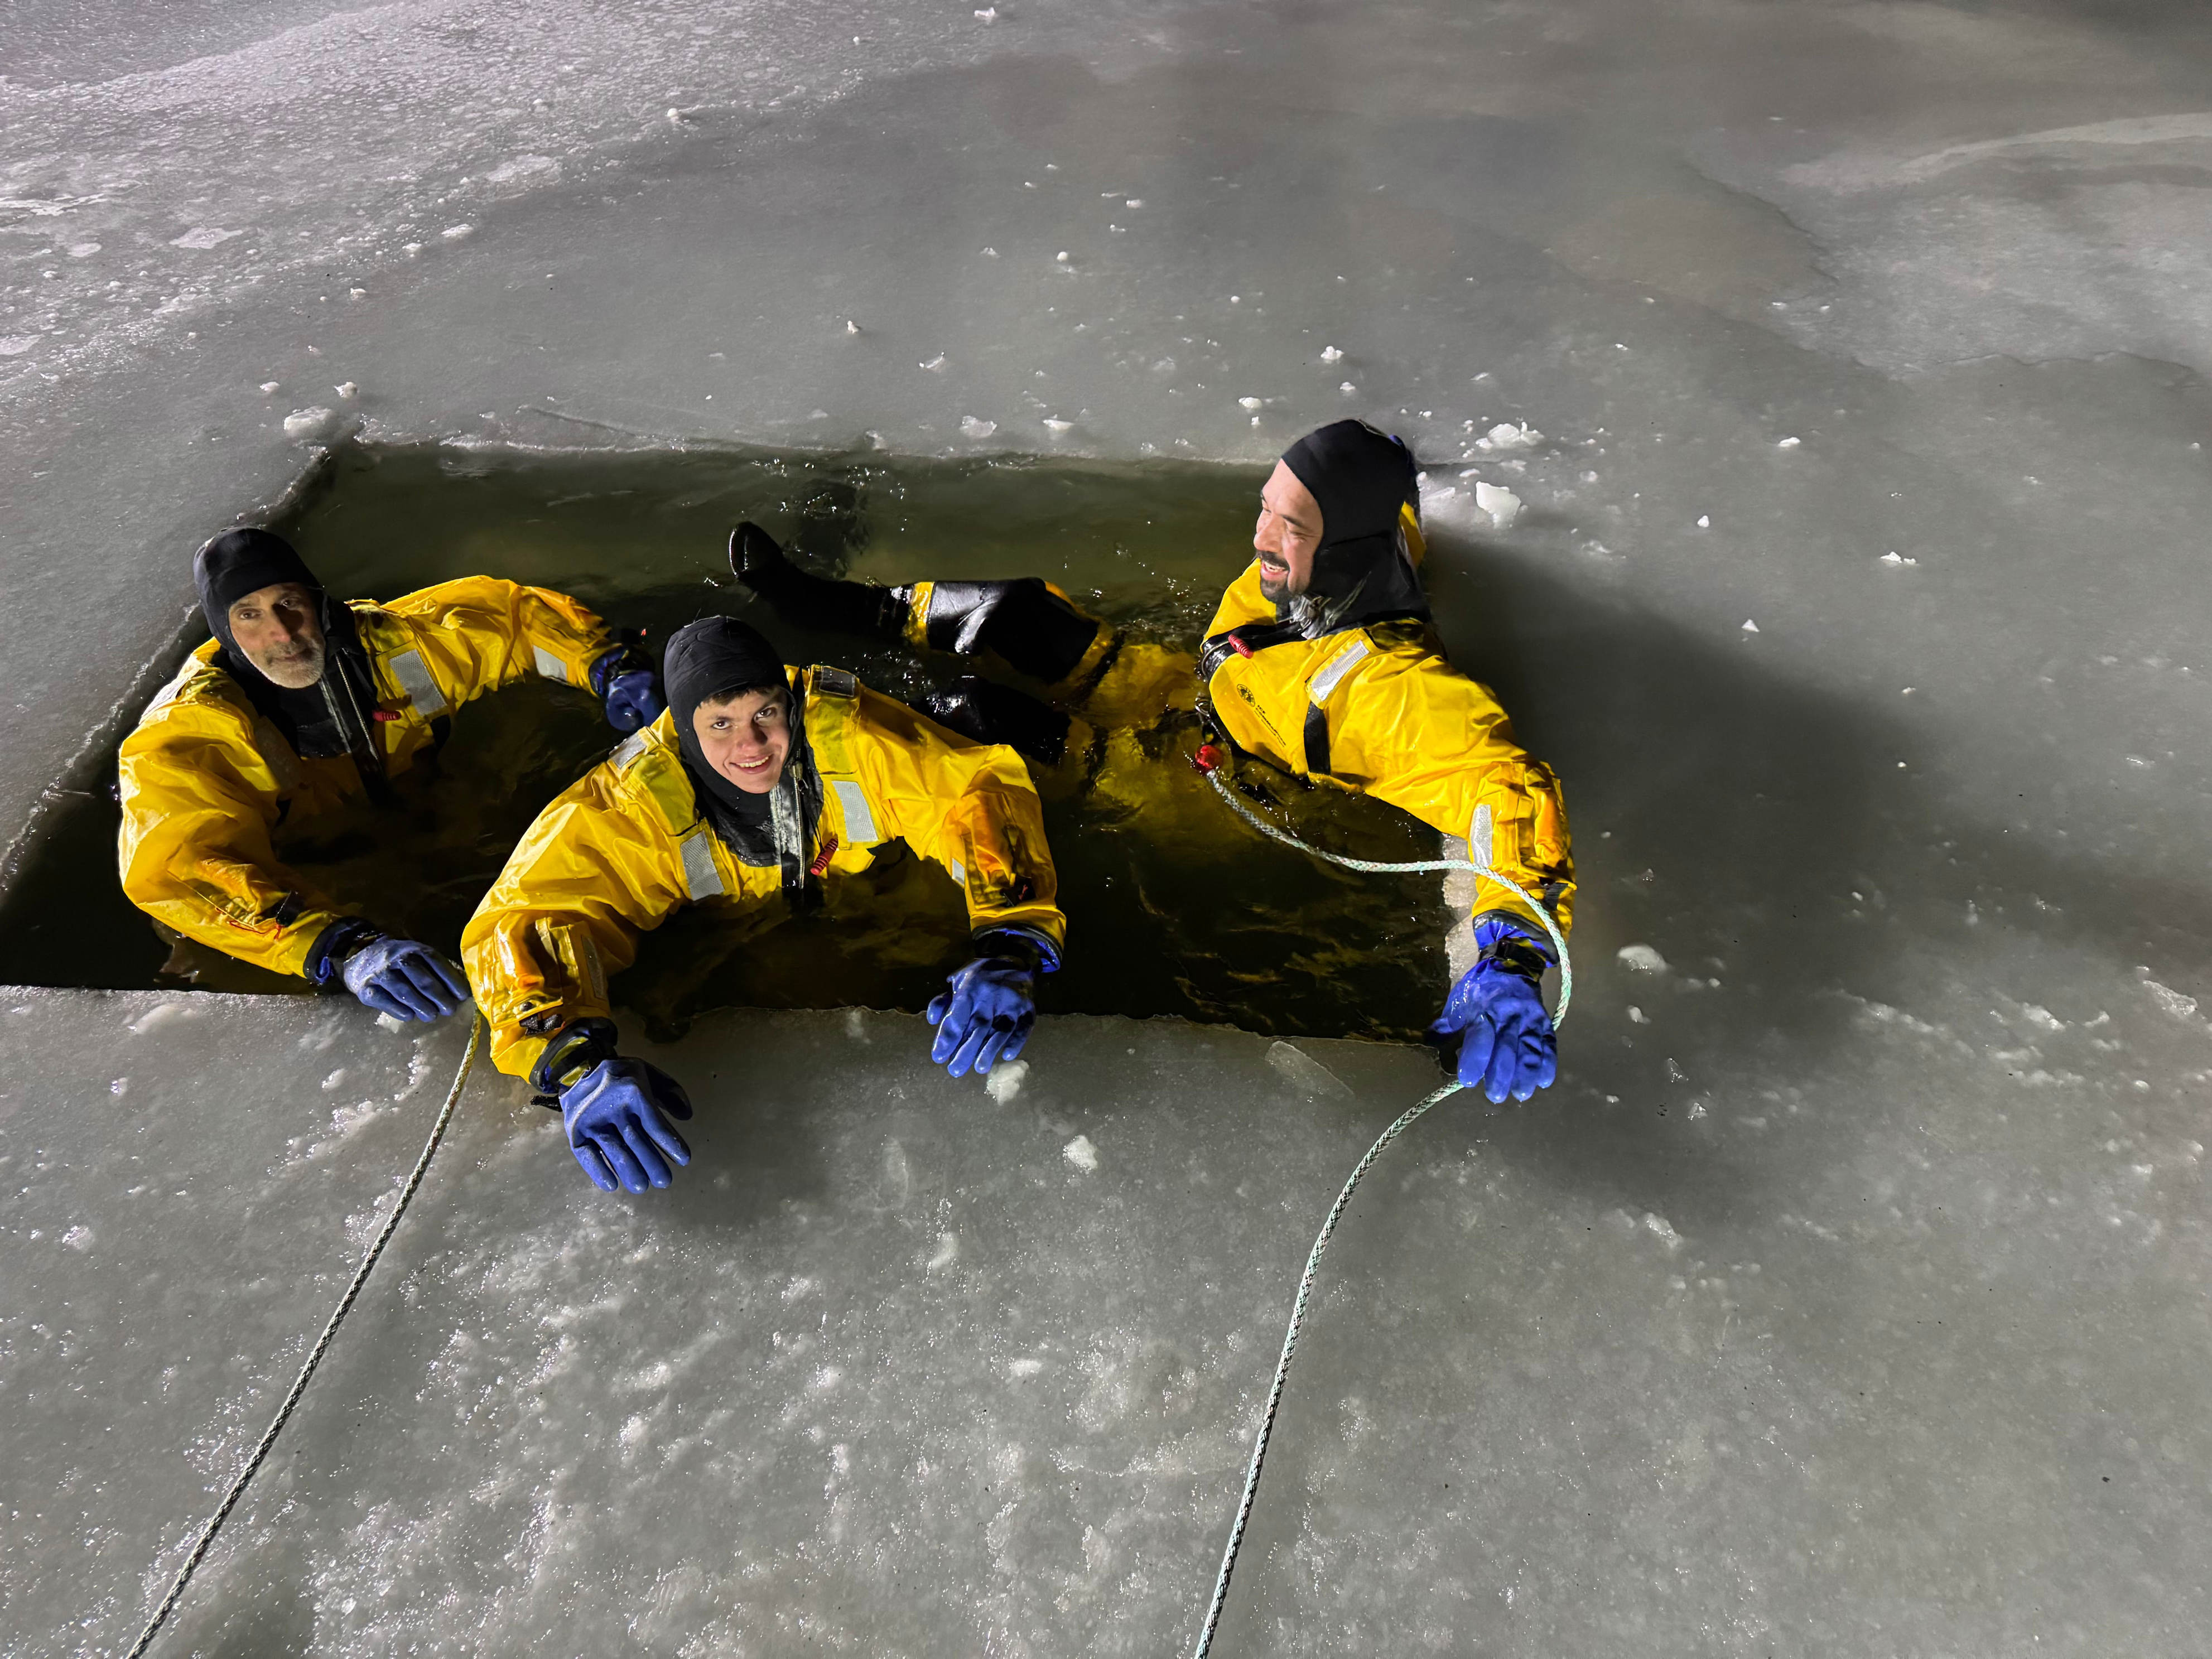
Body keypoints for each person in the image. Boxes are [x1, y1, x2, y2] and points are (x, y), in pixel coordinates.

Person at [734, 419, 1574, 1105]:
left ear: (1347, 545)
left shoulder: (1388, 689)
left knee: (973, 714)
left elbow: (1504, 787)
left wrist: (1509, 956)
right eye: (1267, 507)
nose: (1260, 535)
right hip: (1191, 693)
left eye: (1290, 523)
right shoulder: (1348, 560)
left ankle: (795, 791)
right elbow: (1393, 503)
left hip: (1206, 791)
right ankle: (821, 603)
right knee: (1020, 614)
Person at [460, 615, 1067, 1195]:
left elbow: (973, 792)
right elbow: (525, 916)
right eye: (719, 724)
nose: (750, 745)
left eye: (765, 714)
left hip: (861, 884)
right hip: (722, 923)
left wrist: (1008, 940)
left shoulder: (851, 735)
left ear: (789, 704)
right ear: (685, 726)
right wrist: (572, 1061)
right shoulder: (628, 803)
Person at [118, 527, 664, 1021]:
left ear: (315, 600)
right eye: (250, 615)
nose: (282, 632)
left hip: (424, 826)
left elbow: (512, 619)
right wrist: (336, 946)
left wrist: (606, 665)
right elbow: (176, 871)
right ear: (225, 628)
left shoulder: (395, 647)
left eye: (288, 603)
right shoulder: (187, 738)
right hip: (298, 898)